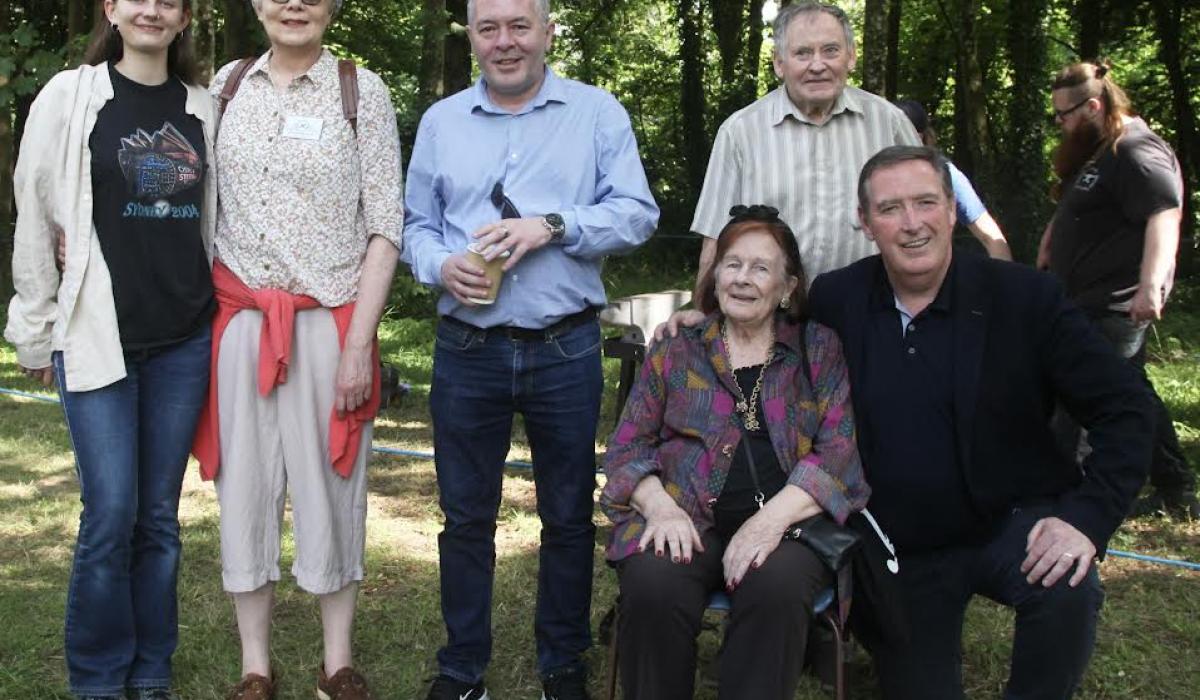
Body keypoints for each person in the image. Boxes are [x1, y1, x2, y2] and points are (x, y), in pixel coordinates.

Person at [807, 146, 1151, 699]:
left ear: (952, 211)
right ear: (866, 223)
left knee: (1066, 582)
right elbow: (765, 354)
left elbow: (1127, 407)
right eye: (891, 208)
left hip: (1011, 521)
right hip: (901, 546)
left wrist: (1088, 517)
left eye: (926, 203)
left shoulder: (1024, 297)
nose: (912, 223)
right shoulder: (836, 298)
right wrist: (699, 318)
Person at [401, 0, 659, 696]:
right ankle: (461, 667)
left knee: (569, 515)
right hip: (466, 344)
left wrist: (554, 225)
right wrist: (437, 265)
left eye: (520, 26)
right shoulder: (441, 122)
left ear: (548, 31)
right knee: (464, 517)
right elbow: (416, 225)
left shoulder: (596, 112)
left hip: (566, 348)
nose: (505, 42)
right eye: (490, 28)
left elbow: (637, 214)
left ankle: (562, 663)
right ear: (472, 36)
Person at [194, 0, 405, 698]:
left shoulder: (359, 91)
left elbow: (385, 227)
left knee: (330, 489)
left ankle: (336, 662)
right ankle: (256, 667)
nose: (294, 4)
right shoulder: (223, 87)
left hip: (330, 325)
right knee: (246, 491)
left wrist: (359, 343)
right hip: (245, 323)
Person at [4, 1, 215, 698]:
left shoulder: (203, 107)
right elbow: (35, 213)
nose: (152, 10)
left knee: (159, 518)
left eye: (169, 1)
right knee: (110, 514)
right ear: (112, 10)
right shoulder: (72, 96)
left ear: (185, 18)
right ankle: (98, 677)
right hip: (99, 339)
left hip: (184, 339)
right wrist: (34, 326)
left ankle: (151, 670)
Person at [600, 206, 868, 700]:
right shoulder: (678, 348)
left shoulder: (818, 349)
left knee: (777, 588)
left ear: (787, 286)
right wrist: (661, 509)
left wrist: (768, 524)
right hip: (684, 517)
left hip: (788, 527)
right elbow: (626, 449)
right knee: (655, 585)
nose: (743, 279)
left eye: (761, 268)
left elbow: (838, 455)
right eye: (733, 264)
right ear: (715, 274)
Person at [1038, 61, 1198, 521]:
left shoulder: (1137, 150)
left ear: (1093, 106)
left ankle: (1076, 494)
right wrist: (1053, 237)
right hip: (1081, 297)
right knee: (1133, 391)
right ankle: (1175, 485)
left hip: (1114, 303)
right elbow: (1080, 207)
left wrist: (1151, 286)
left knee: (1082, 394)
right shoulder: (1101, 148)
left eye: (1064, 115)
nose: (1061, 124)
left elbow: (1165, 213)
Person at [688, 1, 919, 296]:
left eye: (831, 50)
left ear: (851, 56)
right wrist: (703, 320)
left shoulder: (888, 123)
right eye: (802, 53)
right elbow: (714, 238)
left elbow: (926, 216)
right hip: (771, 318)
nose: (818, 65)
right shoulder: (740, 132)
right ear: (779, 63)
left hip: (871, 312)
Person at [893, 98, 1012, 260]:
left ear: (918, 137)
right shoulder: (870, 176)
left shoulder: (945, 173)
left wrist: (1004, 281)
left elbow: (991, 238)